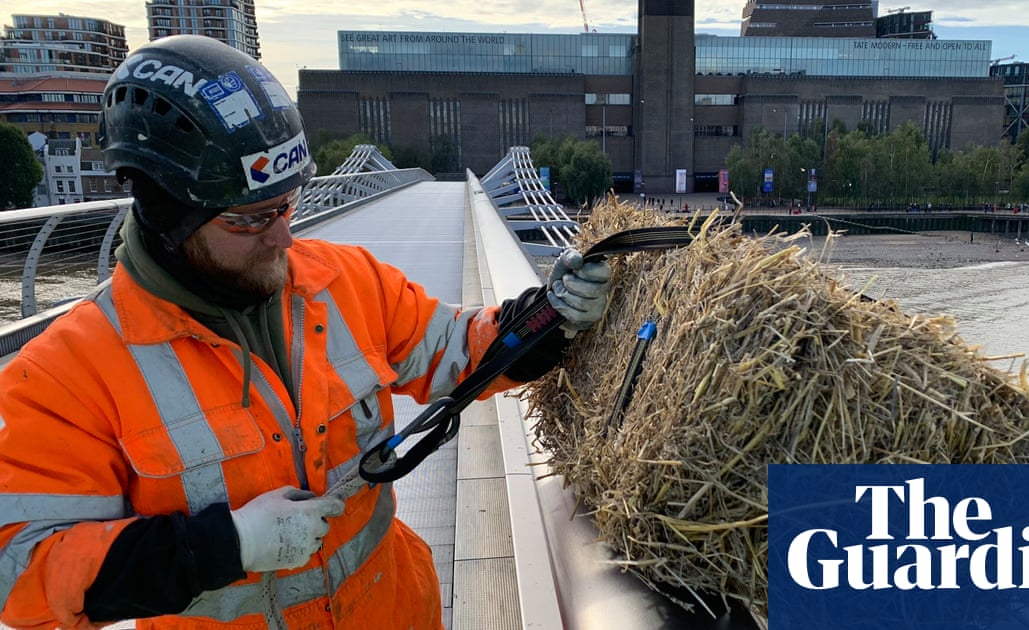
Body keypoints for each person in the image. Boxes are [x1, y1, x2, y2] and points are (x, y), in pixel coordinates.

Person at [0, 35, 611, 630]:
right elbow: (21, 573)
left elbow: (460, 350)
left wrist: (550, 315)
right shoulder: (66, 373)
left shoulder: (343, 282)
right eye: (252, 219)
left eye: (287, 205)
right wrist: (222, 547)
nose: (282, 239)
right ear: (167, 212)